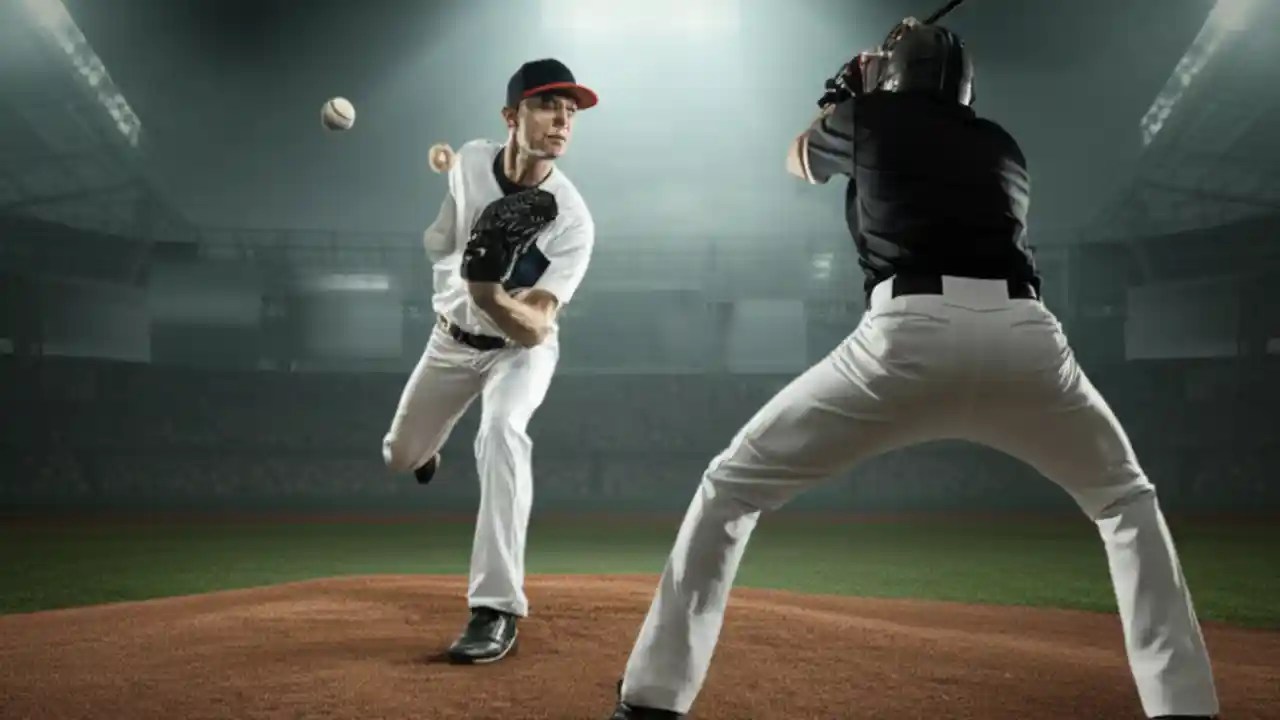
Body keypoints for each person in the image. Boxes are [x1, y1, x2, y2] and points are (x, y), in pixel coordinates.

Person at [608, 19, 1219, 720]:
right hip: (1028, 343)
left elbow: (799, 160)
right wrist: (868, 93)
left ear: (892, 76)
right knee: (1126, 504)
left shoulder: (869, 115)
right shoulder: (1002, 145)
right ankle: (1185, 708)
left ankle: (652, 703)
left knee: (730, 489)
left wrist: (842, 95)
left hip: (907, 338)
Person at [381, 57, 596, 664]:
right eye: (547, 105)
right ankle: (427, 449)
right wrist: (447, 169)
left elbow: (537, 327)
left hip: (516, 353)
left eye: (570, 111)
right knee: (398, 457)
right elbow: (449, 215)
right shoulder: (475, 158)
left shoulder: (572, 219)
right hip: (448, 343)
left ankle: (496, 608)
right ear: (511, 116)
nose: (561, 120)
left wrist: (489, 293)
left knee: (502, 431)